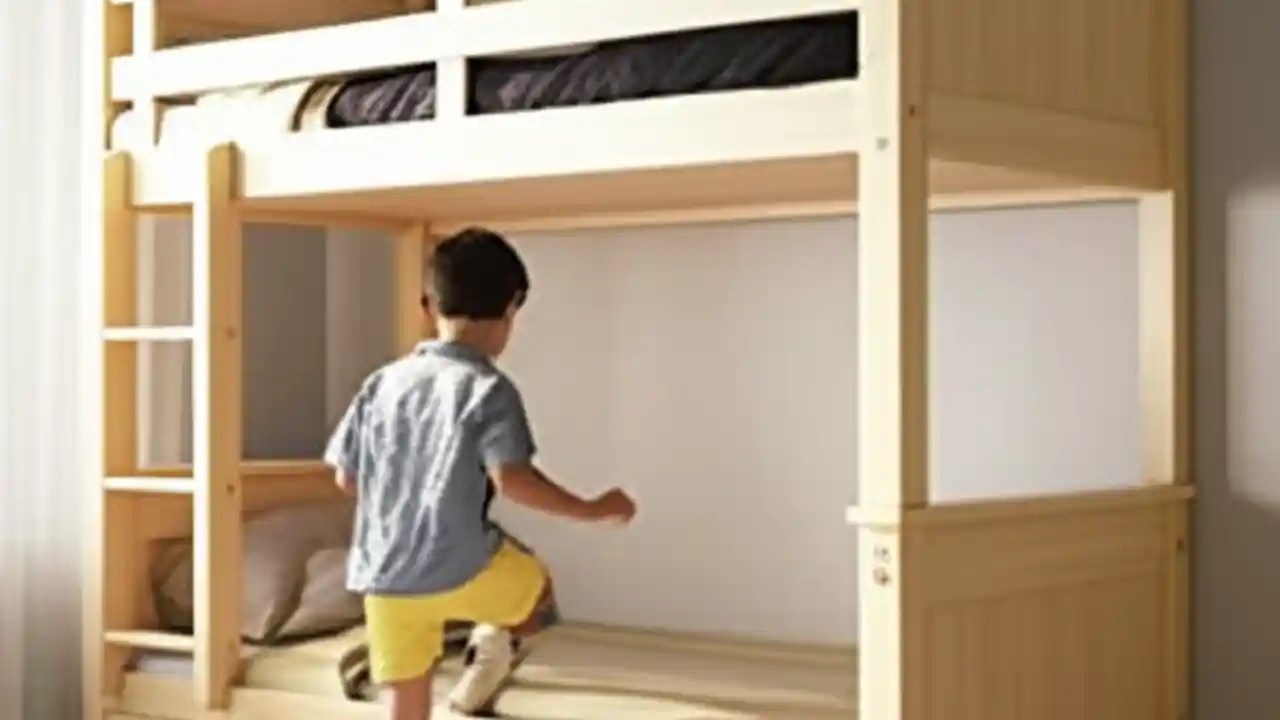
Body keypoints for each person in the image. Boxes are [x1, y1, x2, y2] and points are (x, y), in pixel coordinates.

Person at [325, 227, 637, 720]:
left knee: (405, 708)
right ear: (511, 311)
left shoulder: (381, 383)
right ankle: (492, 648)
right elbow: (513, 480)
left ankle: (474, 658)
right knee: (535, 591)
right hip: (462, 571)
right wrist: (594, 509)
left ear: (428, 304)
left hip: (384, 577)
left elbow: (347, 479)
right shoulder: (488, 388)